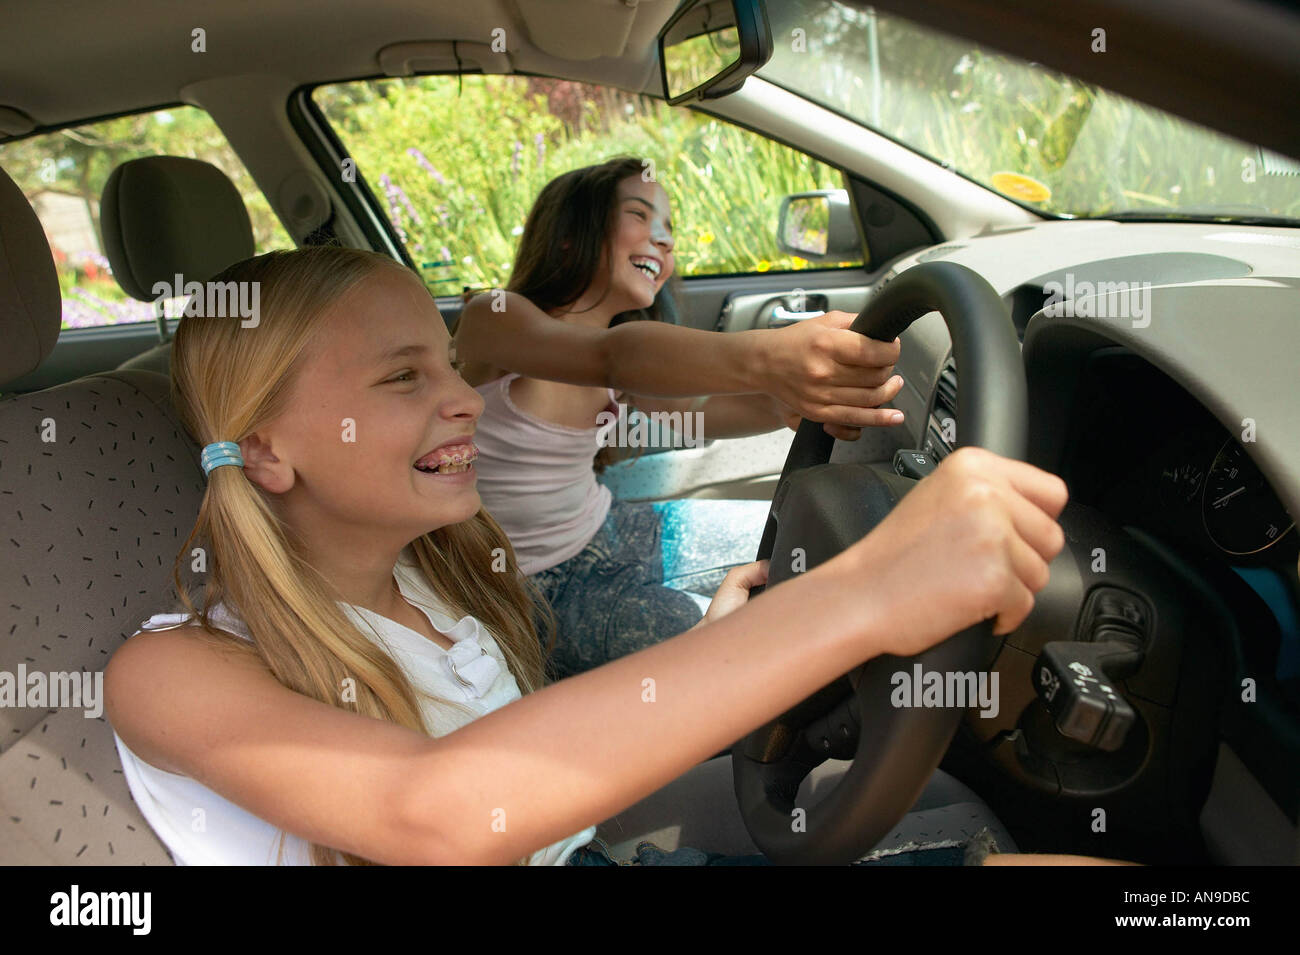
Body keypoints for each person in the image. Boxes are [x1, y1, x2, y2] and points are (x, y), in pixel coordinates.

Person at [104, 245, 1072, 866]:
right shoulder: (166, 673)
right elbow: (434, 813)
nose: (469, 399)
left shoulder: (427, 588)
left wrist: (718, 655)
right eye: (405, 377)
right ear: (266, 449)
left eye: (449, 360)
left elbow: (540, 785)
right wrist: (861, 594)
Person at [454, 156, 908, 678]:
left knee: (831, 539)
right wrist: (769, 357)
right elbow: (610, 355)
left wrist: (790, 402)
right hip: (548, 593)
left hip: (622, 528)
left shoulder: (615, 363)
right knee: (749, 653)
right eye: (641, 216)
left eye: (668, 229)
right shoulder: (494, 317)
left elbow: (701, 414)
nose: (664, 240)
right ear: (569, 235)